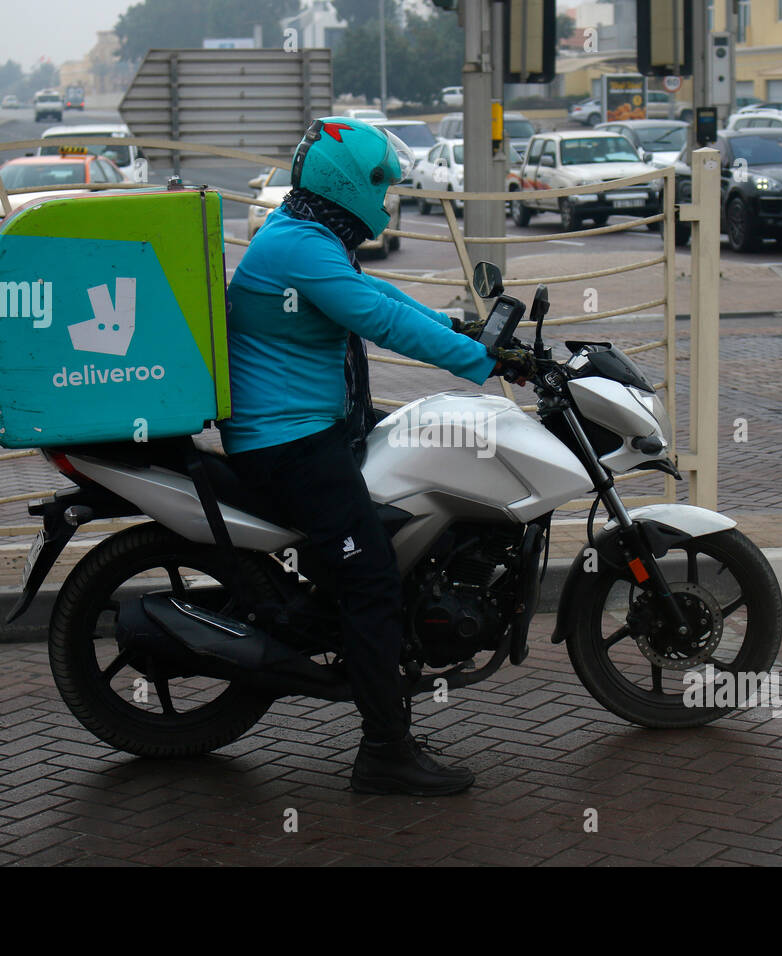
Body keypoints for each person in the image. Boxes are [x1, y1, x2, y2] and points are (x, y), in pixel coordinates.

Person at [219, 117, 535, 796]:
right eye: (380, 183)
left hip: (308, 429)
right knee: (371, 581)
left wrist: (464, 328)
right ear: (346, 183)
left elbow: (382, 297)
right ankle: (385, 749)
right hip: (288, 443)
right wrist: (479, 358)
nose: (387, 197)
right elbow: (382, 322)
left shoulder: (306, 235)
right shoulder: (299, 247)